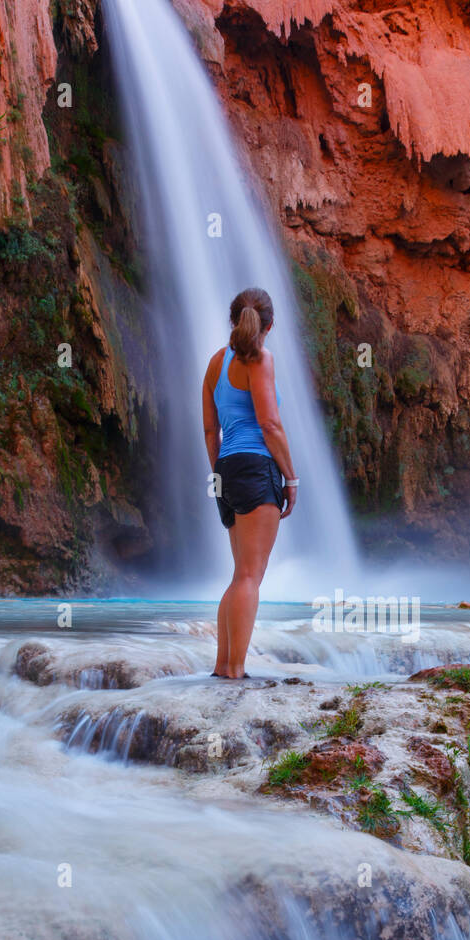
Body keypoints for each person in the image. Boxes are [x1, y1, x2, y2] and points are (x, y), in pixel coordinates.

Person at [202, 287, 298, 679]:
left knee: (239, 573)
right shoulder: (260, 359)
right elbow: (270, 424)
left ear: (233, 319)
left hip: (225, 468)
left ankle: (223, 667)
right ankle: (236, 670)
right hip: (257, 466)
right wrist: (291, 478)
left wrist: (222, 475)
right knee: (249, 576)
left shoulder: (213, 364)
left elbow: (211, 431)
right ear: (269, 325)